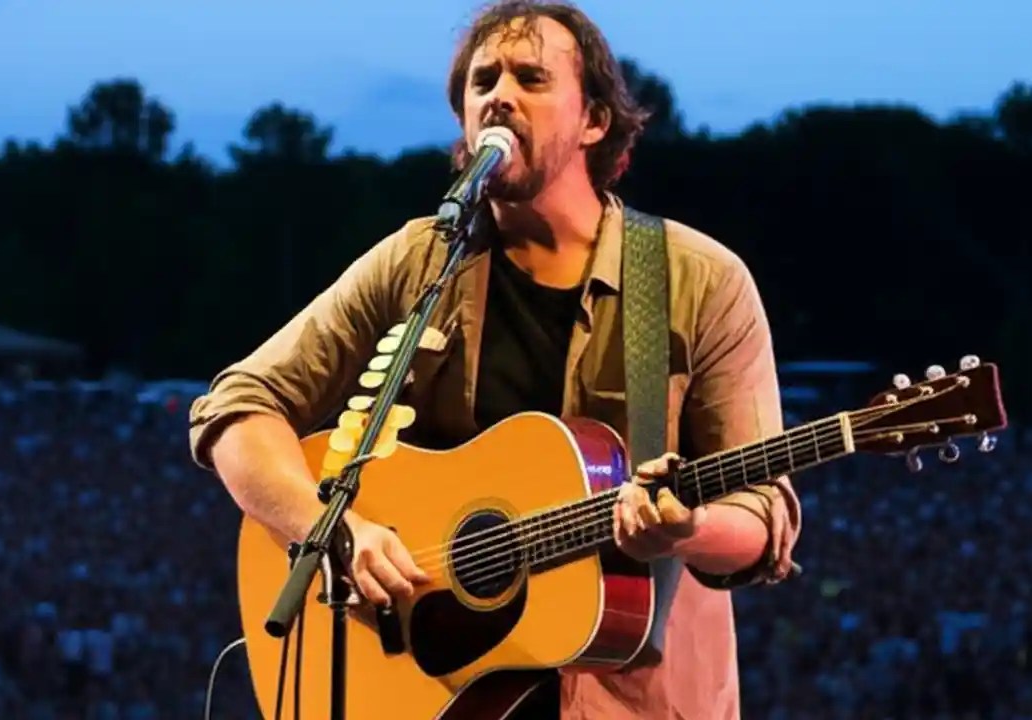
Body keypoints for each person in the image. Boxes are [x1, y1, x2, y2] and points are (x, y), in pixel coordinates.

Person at [187, 1, 802, 717]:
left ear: (595, 121)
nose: (499, 96)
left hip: (638, 701)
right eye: (483, 83)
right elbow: (235, 408)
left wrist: (685, 528)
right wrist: (336, 530)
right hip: (442, 692)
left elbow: (762, 519)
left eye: (531, 78)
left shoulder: (697, 279)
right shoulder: (422, 263)